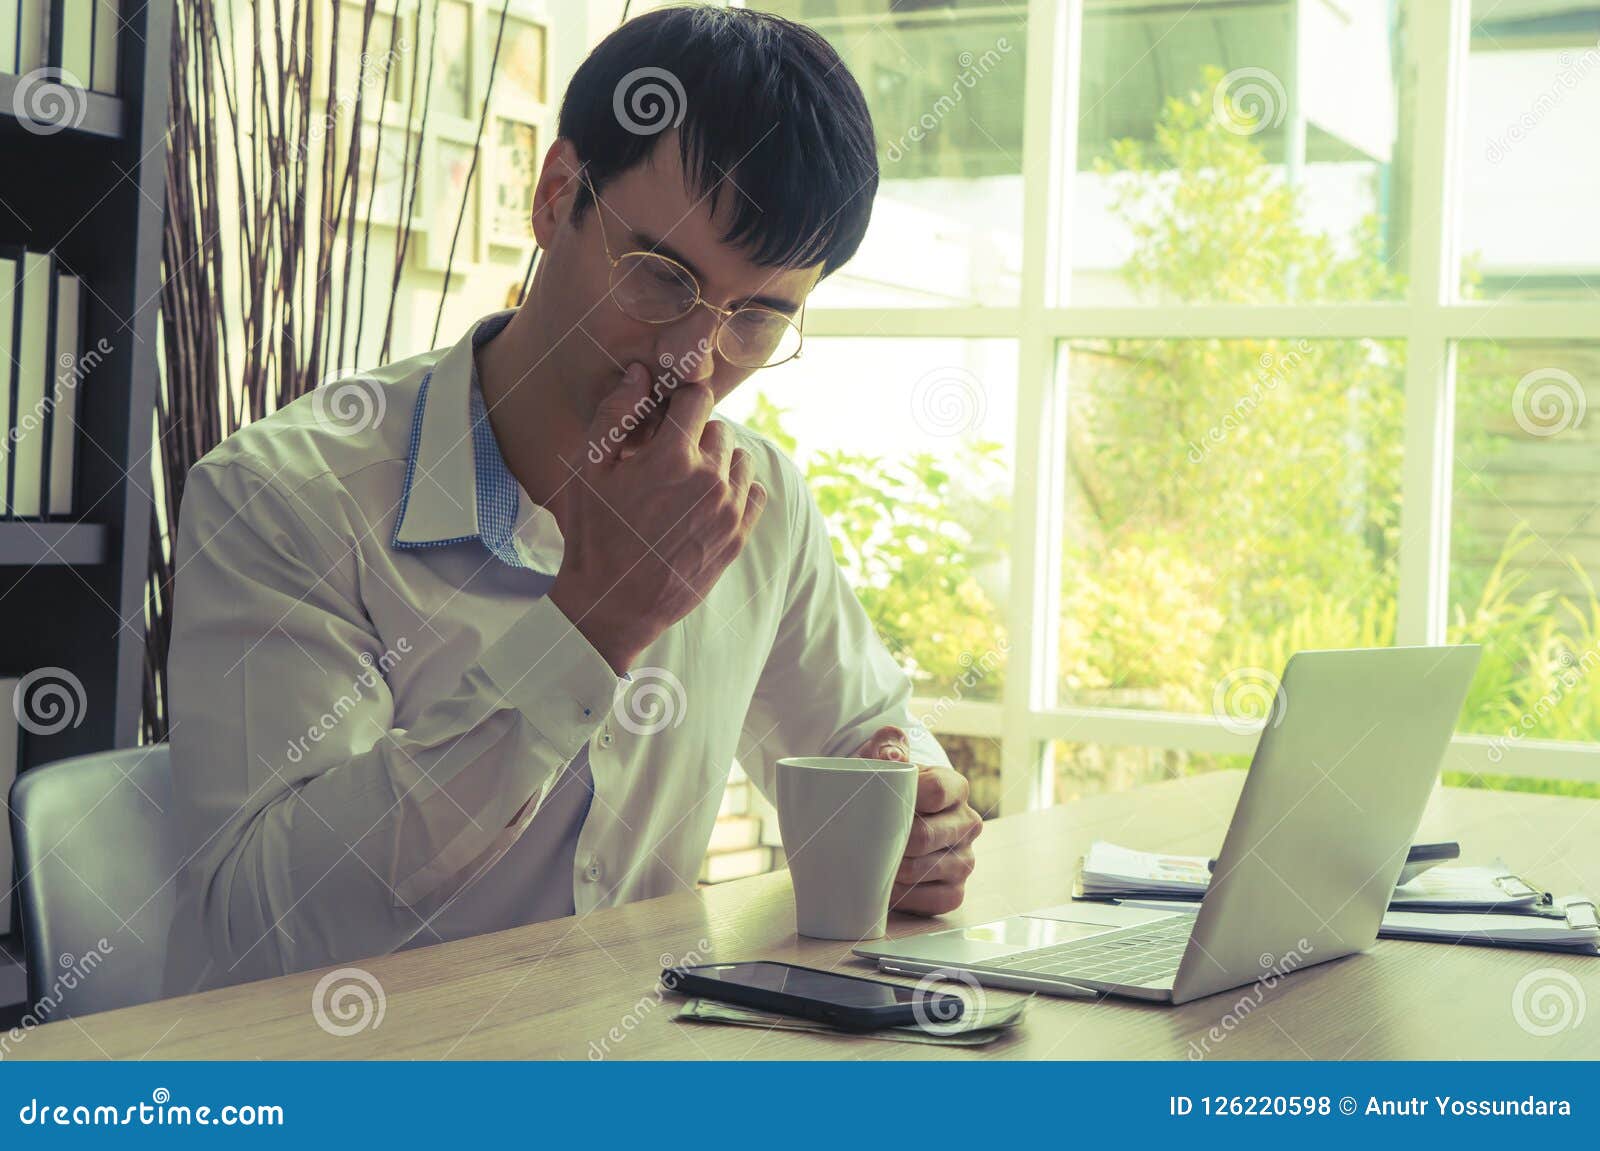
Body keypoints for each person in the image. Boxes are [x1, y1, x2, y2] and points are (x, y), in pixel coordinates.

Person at [164, 5, 980, 994]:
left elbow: (860, 732)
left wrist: (915, 795)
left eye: (758, 318)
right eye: (662, 276)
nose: (695, 357)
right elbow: (259, 930)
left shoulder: (753, 496)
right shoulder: (287, 497)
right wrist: (592, 620)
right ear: (556, 197)